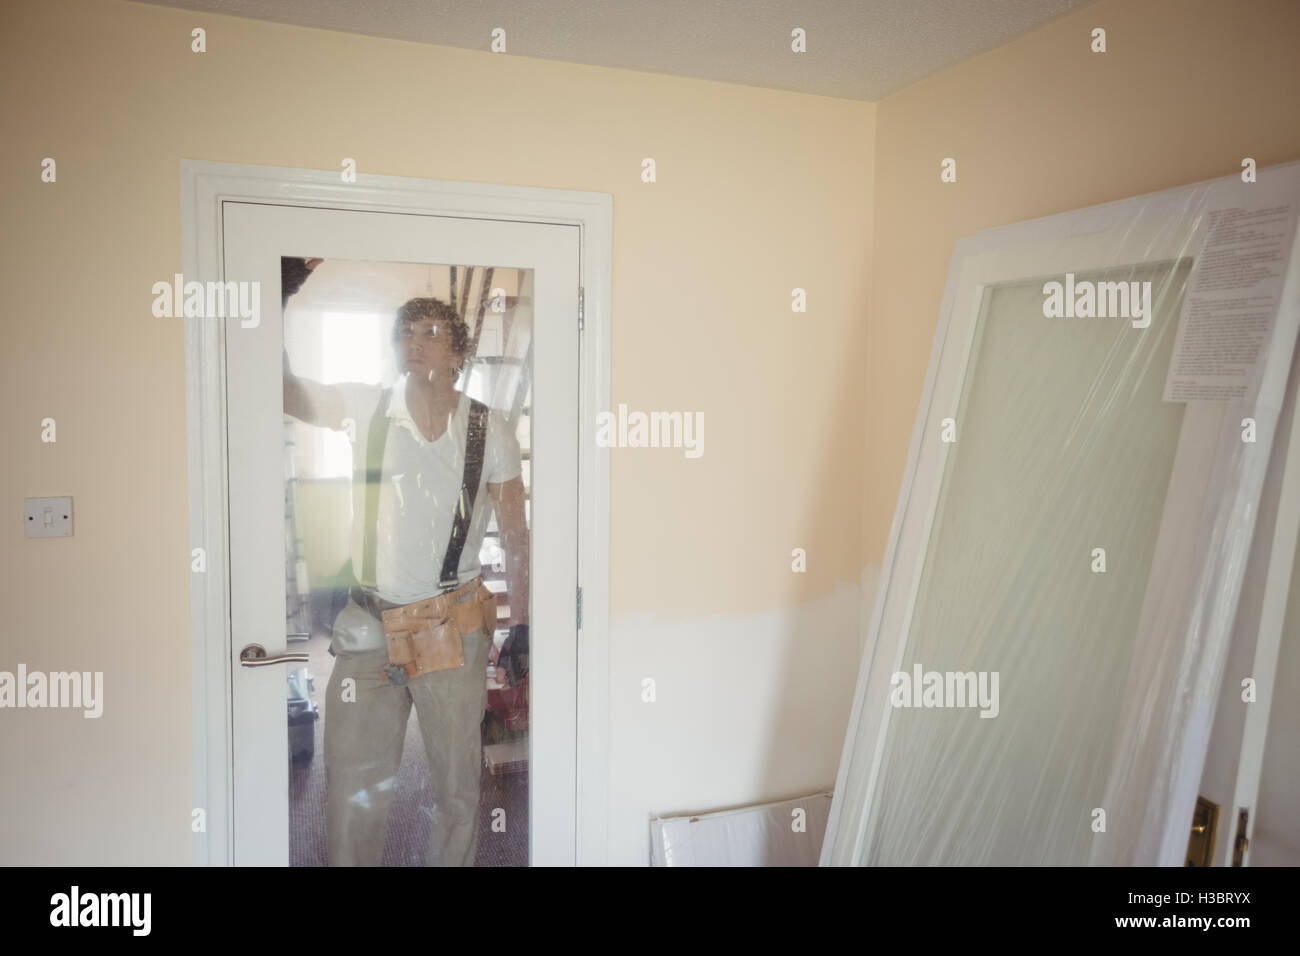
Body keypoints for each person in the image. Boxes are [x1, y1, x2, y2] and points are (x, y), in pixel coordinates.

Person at [281, 257, 530, 867]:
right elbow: (284, 392)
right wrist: (276, 302)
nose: (413, 343)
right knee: (352, 787)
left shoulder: (490, 429)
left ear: (458, 353)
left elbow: (518, 535)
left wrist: (523, 622)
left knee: (455, 786)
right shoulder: (365, 406)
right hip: (368, 625)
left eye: (430, 333)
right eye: (405, 333)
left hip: (449, 624)